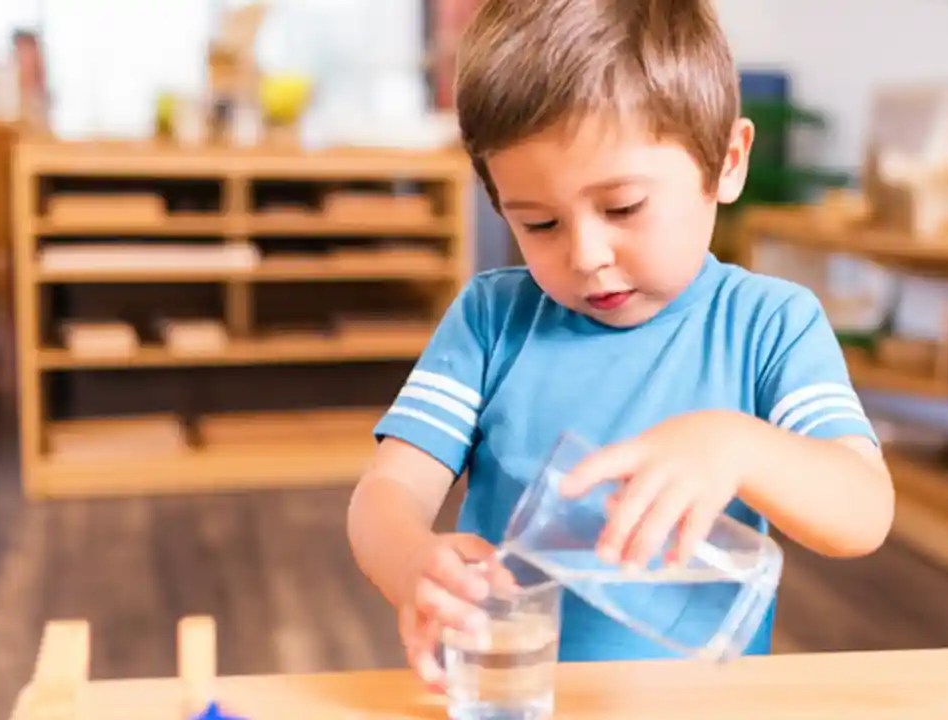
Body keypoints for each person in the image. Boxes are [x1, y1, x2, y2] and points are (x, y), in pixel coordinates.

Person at [347, 0, 894, 688]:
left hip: (701, 704)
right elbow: (387, 492)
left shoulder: (770, 325)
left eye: (623, 208)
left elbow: (863, 510)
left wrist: (738, 443)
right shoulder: (491, 321)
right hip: (520, 693)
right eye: (540, 223)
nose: (587, 253)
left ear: (726, 161)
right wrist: (408, 563)